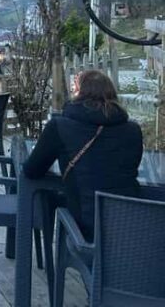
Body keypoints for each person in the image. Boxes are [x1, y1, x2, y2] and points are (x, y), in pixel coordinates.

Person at [24, 70, 142, 241]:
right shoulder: (133, 130)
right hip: (134, 228)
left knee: (52, 199)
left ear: (79, 95)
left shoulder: (60, 126)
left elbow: (31, 171)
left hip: (86, 232)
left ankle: (46, 260)